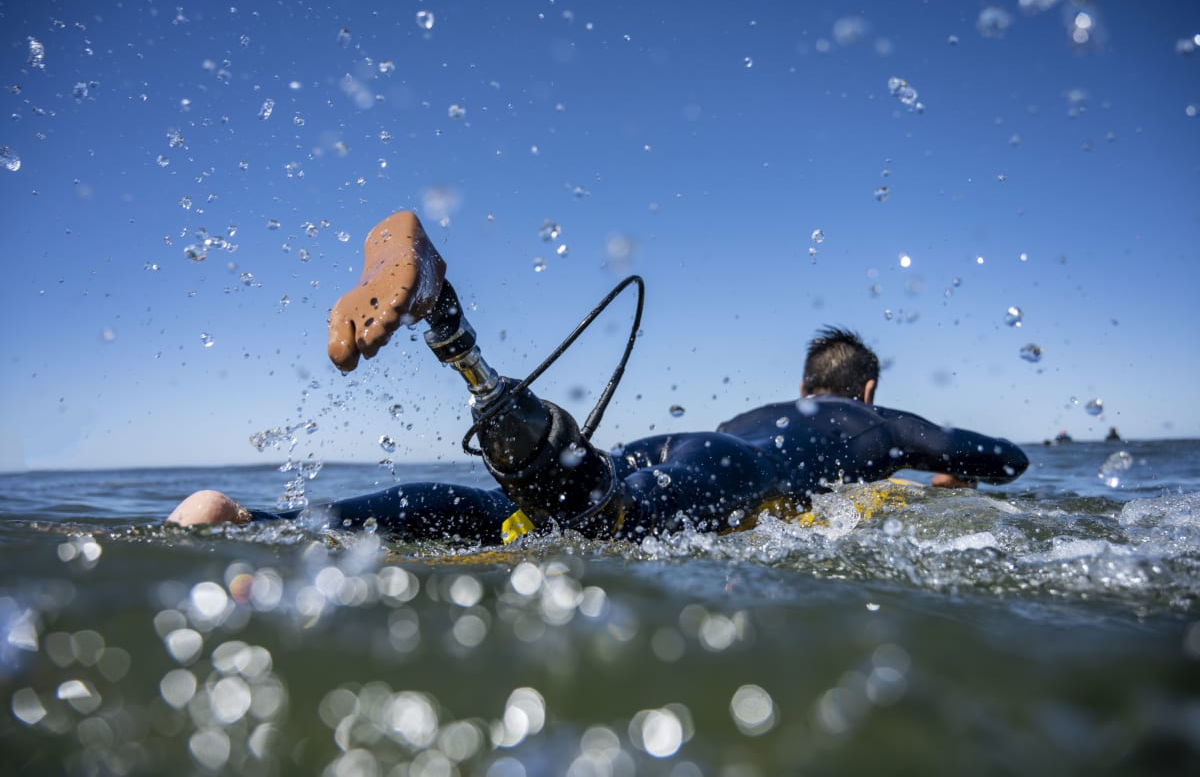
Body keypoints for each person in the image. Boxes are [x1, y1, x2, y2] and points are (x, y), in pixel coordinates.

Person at [168, 212, 1029, 543]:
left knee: (538, 517)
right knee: (602, 520)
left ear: (806, 379)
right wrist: (946, 468)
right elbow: (996, 457)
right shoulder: (871, 426)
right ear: (866, 391)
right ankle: (450, 329)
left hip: (680, 448)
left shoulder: (768, 408)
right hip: (732, 474)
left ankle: (262, 519)